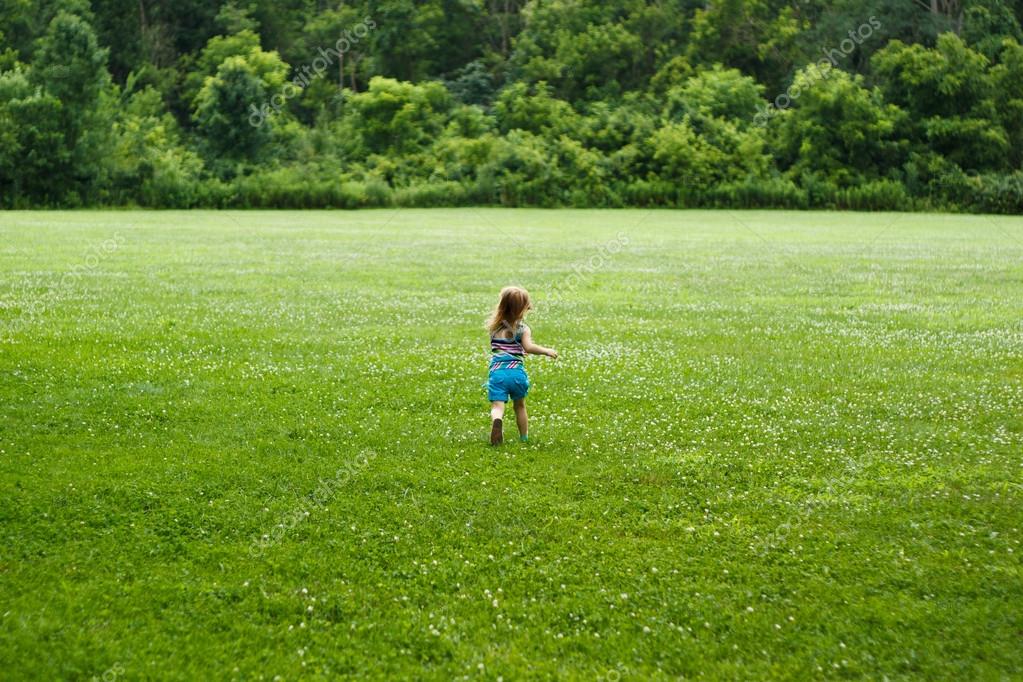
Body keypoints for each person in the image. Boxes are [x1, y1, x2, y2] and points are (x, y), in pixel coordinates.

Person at [484, 286, 558, 445]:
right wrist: (546, 351)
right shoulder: (523, 329)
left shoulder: (494, 327)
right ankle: (523, 437)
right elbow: (528, 347)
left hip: (497, 373)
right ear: (524, 308)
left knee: (497, 405)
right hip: (516, 374)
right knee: (520, 406)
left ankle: (497, 419)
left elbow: (503, 347)